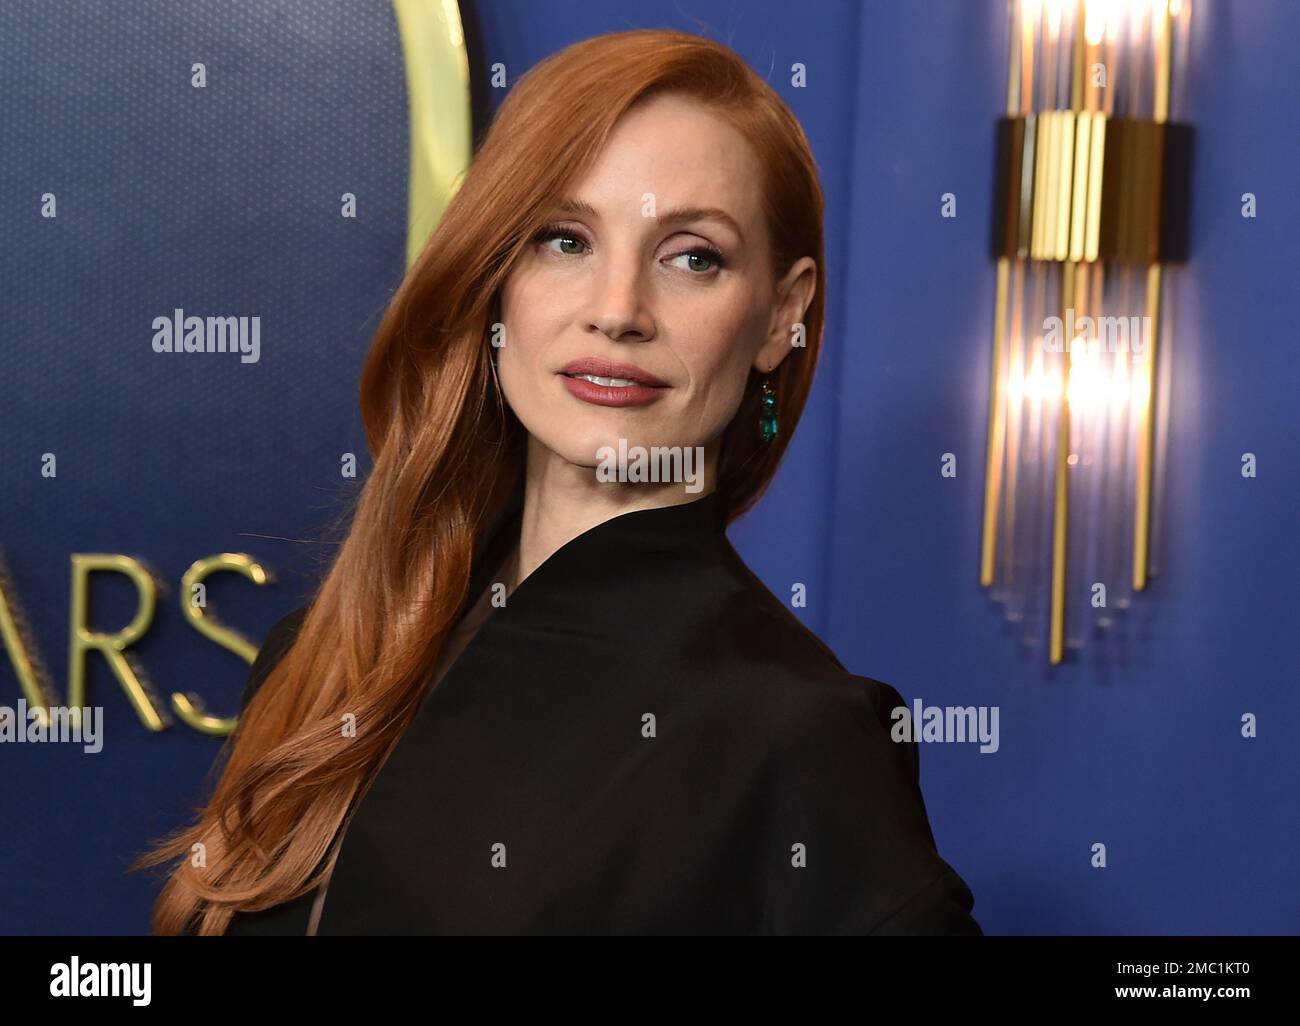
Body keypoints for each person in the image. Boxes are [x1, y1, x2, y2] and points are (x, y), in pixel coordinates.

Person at [135, 27, 981, 936]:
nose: (617, 310)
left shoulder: (804, 737)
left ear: (781, 314)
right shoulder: (323, 657)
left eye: (693, 256)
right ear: (497, 275)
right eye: (564, 240)